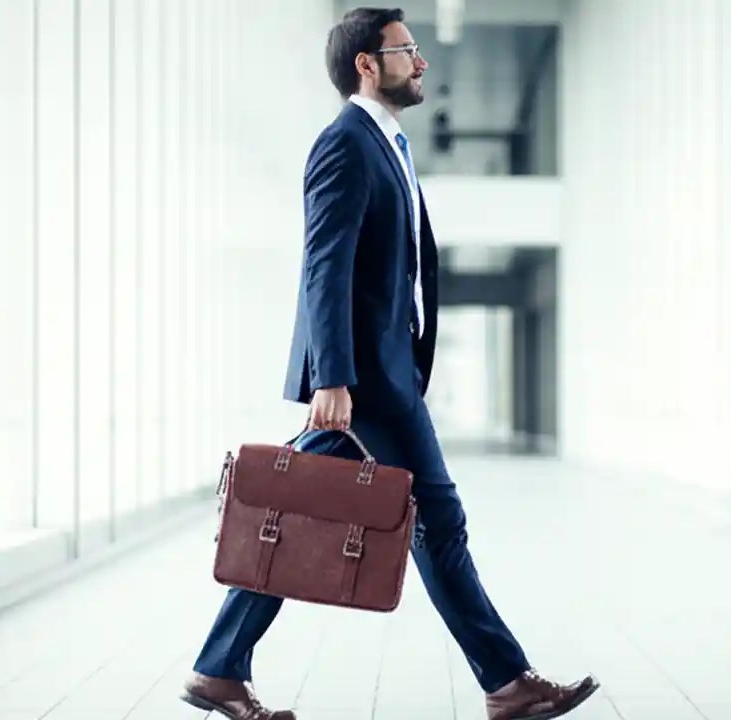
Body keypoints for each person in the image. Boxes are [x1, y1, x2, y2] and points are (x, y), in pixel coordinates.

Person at [179, 8, 599, 720]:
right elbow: (325, 266)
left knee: (297, 506)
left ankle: (218, 668)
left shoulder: (388, 146)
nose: (422, 61)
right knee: (436, 519)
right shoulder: (345, 143)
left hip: (385, 371)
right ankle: (507, 683)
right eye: (407, 49)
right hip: (368, 379)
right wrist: (333, 376)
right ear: (367, 64)